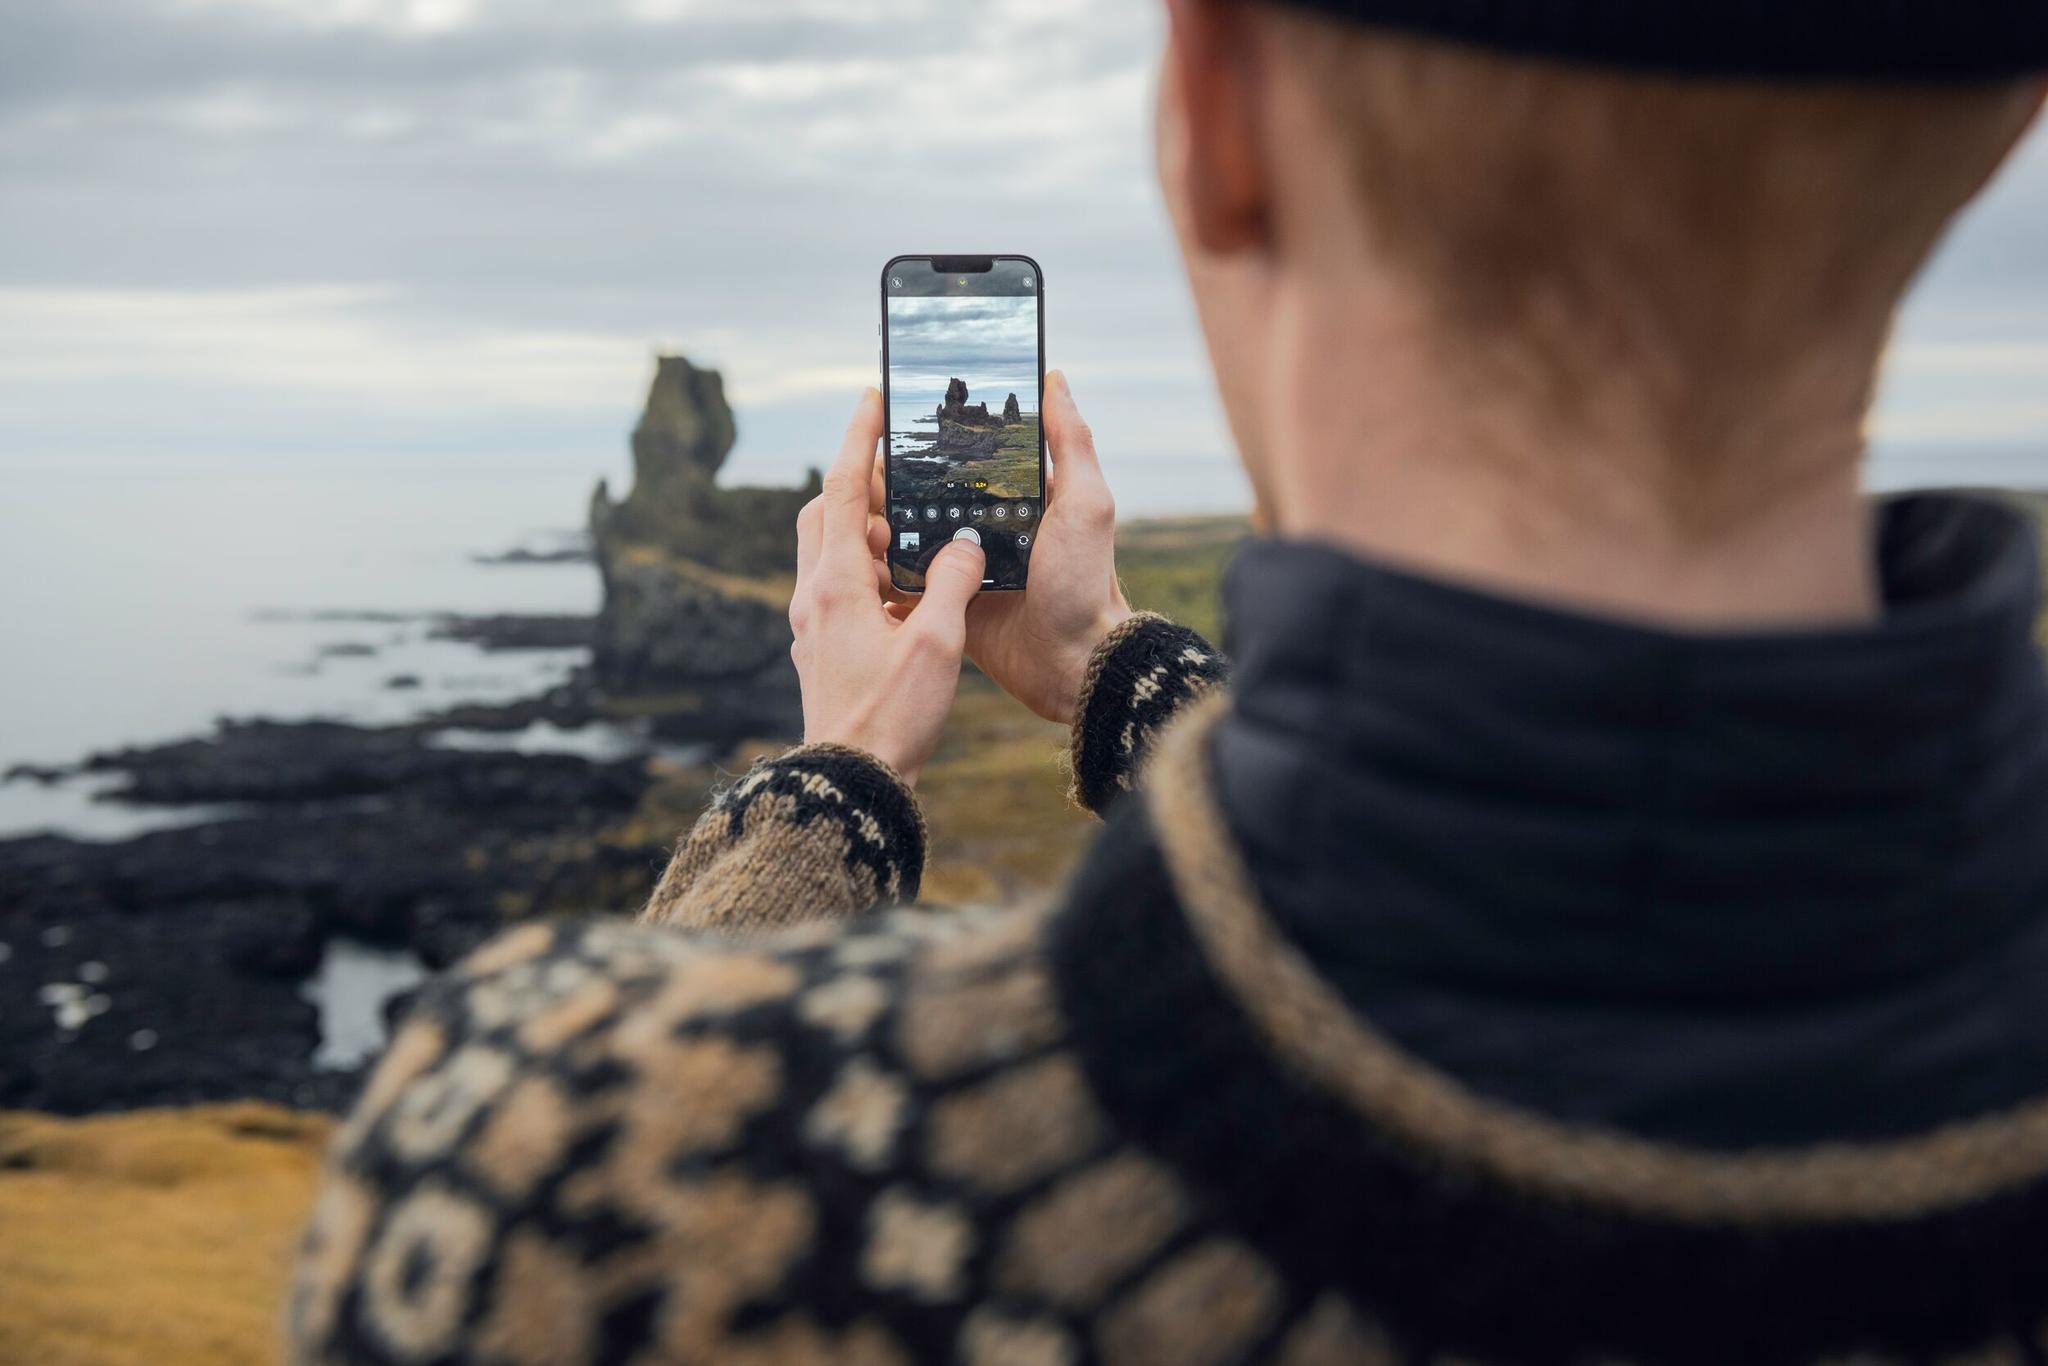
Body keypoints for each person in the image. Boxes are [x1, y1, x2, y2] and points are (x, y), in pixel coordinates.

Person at [290, 2, 2048, 1362]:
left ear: (1215, 114)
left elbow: (631, 1160)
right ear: (2006, 124)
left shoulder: (545, 1186)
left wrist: (838, 785)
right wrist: (1119, 671)